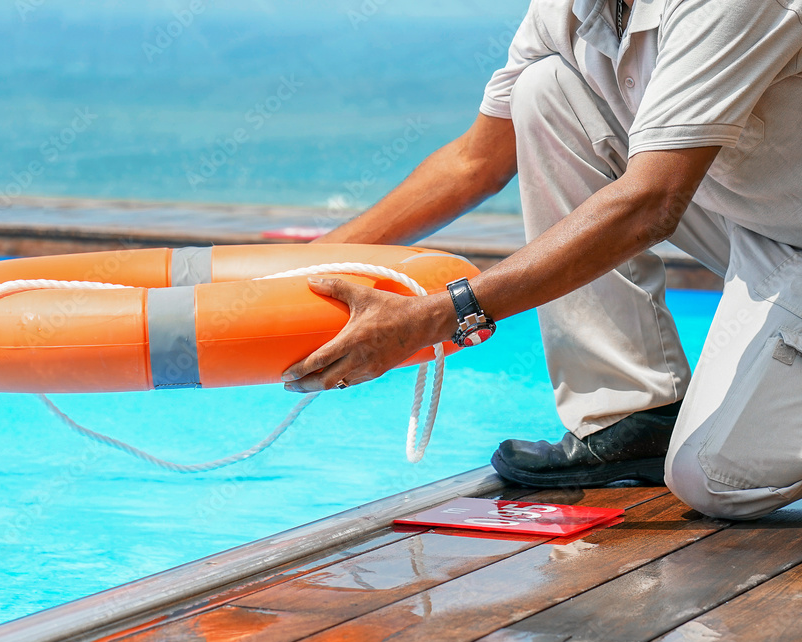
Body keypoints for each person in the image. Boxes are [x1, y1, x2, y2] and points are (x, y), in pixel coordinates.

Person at [280, 0, 802, 521]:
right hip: (761, 219)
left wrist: (438, 317)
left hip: (756, 221)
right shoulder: (572, 6)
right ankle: (630, 418)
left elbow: (651, 205)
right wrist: (301, 274)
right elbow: (475, 162)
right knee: (545, 88)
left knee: (714, 480)